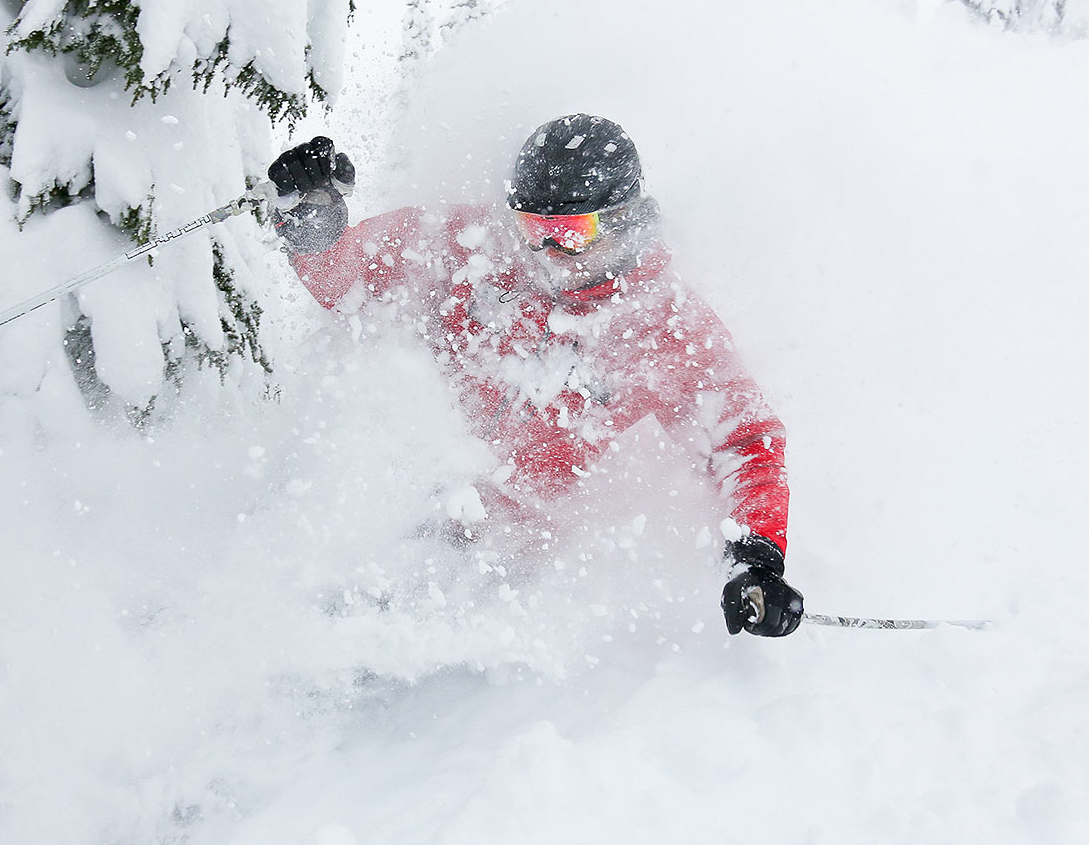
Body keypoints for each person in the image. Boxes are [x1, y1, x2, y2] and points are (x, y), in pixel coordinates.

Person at [267, 115, 803, 638]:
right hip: (390, 501)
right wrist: (314, 227)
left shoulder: (664, 326)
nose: (548, 252)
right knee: (301, 617)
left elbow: (744, 443)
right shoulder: (471, 244)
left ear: (624, 221)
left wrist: (755, 557)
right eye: (532, 229)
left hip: (499, 557)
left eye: (569, 233)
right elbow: (348, 284)